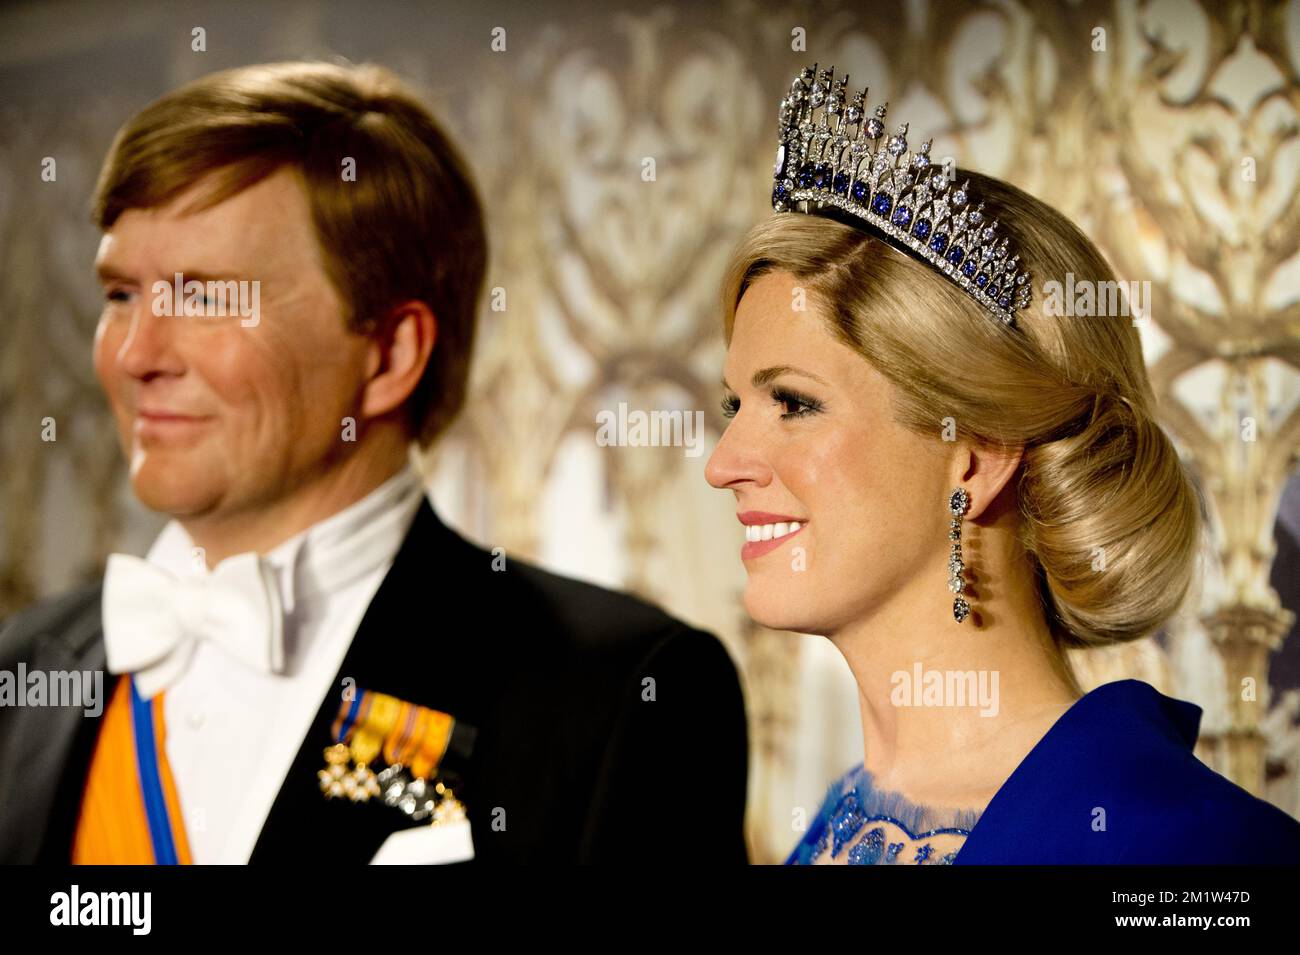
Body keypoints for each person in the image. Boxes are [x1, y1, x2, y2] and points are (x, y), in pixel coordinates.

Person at [0, 60, 749, 864]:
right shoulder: (26, 664)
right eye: (121, 294)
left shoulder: (619, 695)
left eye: (206, 297)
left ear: (390, 352)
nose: (135, 352)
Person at [704, 64, 1300, 864]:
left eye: (794, 404)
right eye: (733, 406)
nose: (724, 463)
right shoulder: (842, 824)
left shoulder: (1193, 852)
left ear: (977, 458)